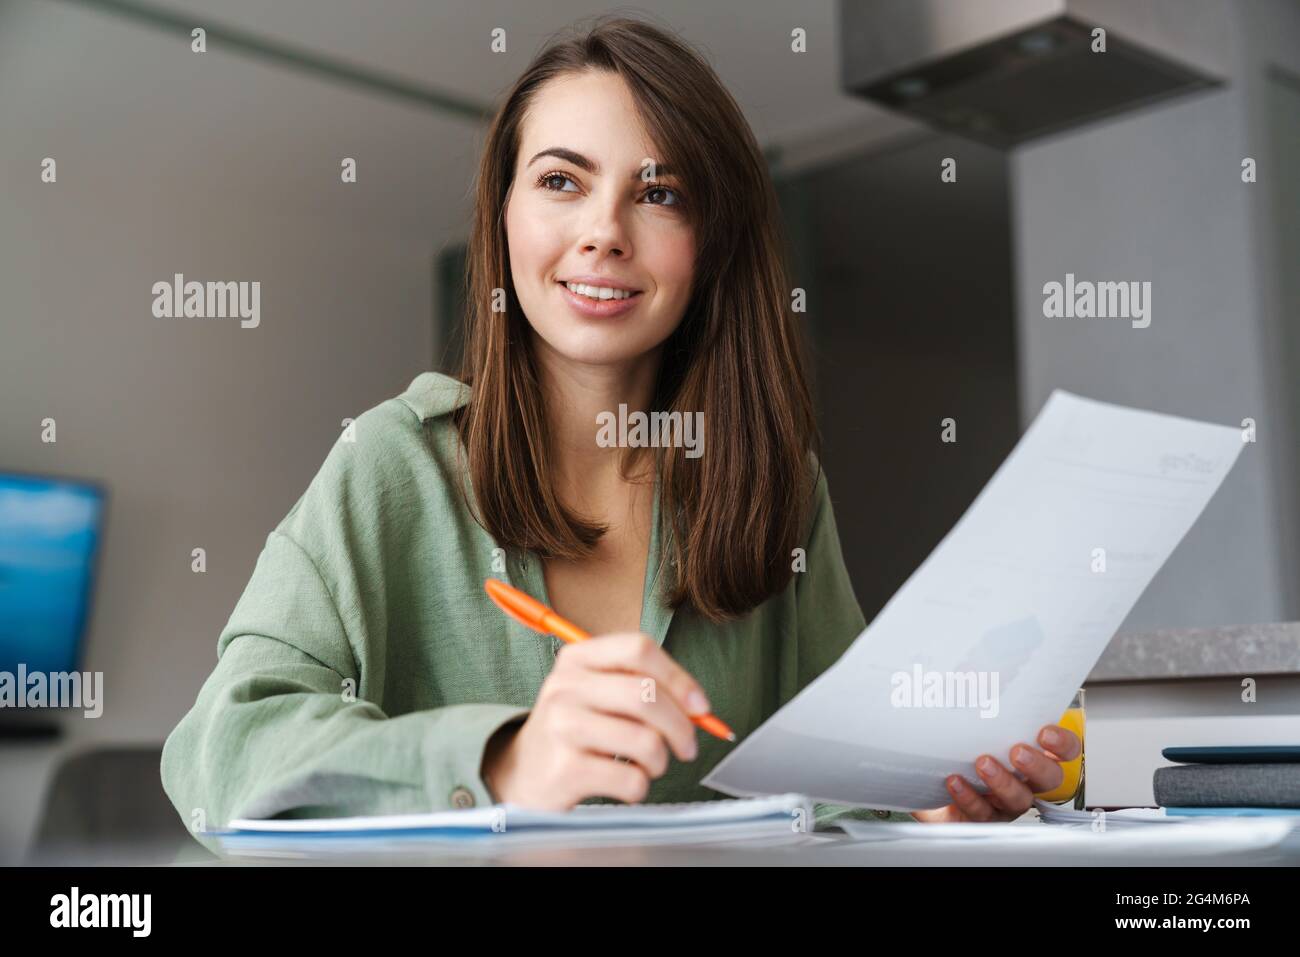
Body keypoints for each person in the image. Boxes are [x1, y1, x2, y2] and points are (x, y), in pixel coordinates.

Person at [160, 15, 1079, 840]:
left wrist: (924, 799)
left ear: (710, 243)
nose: (604, 232)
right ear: (505, 215)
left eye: (660, 193)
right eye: (562, 180)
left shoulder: (777, 487)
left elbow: (833, 782)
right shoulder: (390, 462)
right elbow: (219, 754)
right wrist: (502, 761)